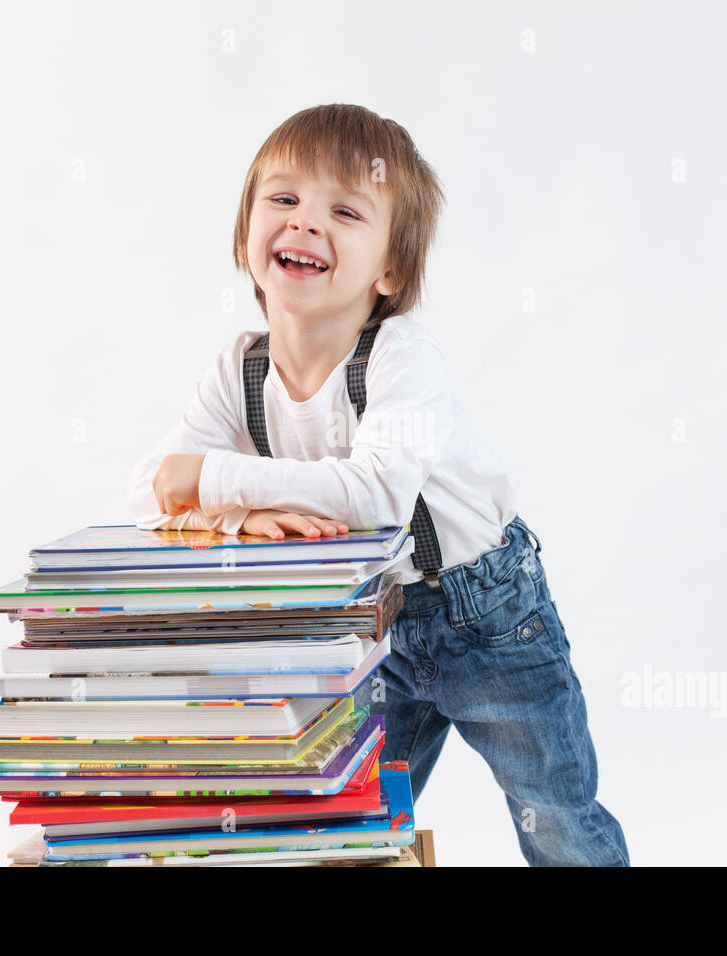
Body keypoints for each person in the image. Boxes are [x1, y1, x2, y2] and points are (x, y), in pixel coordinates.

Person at [127, 104, 628, 866]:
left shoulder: (402, 357)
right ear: (244, 236)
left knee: (553, 811)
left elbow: (378, 494)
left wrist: (219, 482)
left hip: (489, 614)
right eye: (284, 199)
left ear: (389, 270)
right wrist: (232, 521)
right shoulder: (240, 369)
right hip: (373, 628)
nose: (305, 223)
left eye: (345, 210)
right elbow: (150, 490)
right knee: (344, 822)